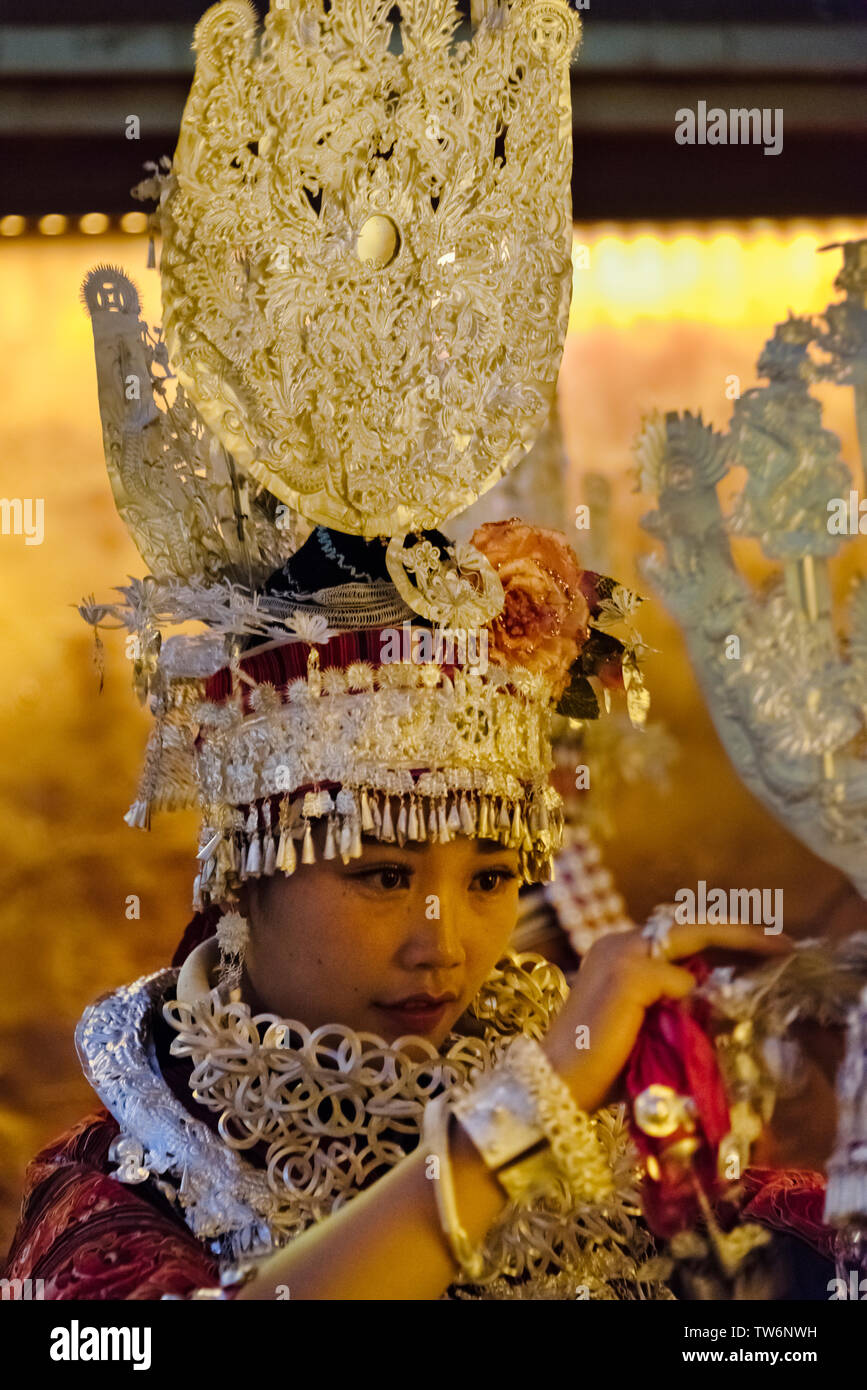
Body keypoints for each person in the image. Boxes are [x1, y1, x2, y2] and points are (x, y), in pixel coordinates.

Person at [1, 0, 840, 1300]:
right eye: (384, 872)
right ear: (241, 871)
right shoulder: (120, 1190)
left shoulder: (618, 1129)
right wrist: (527, 1107)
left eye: (496, 873)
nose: (445, 942)